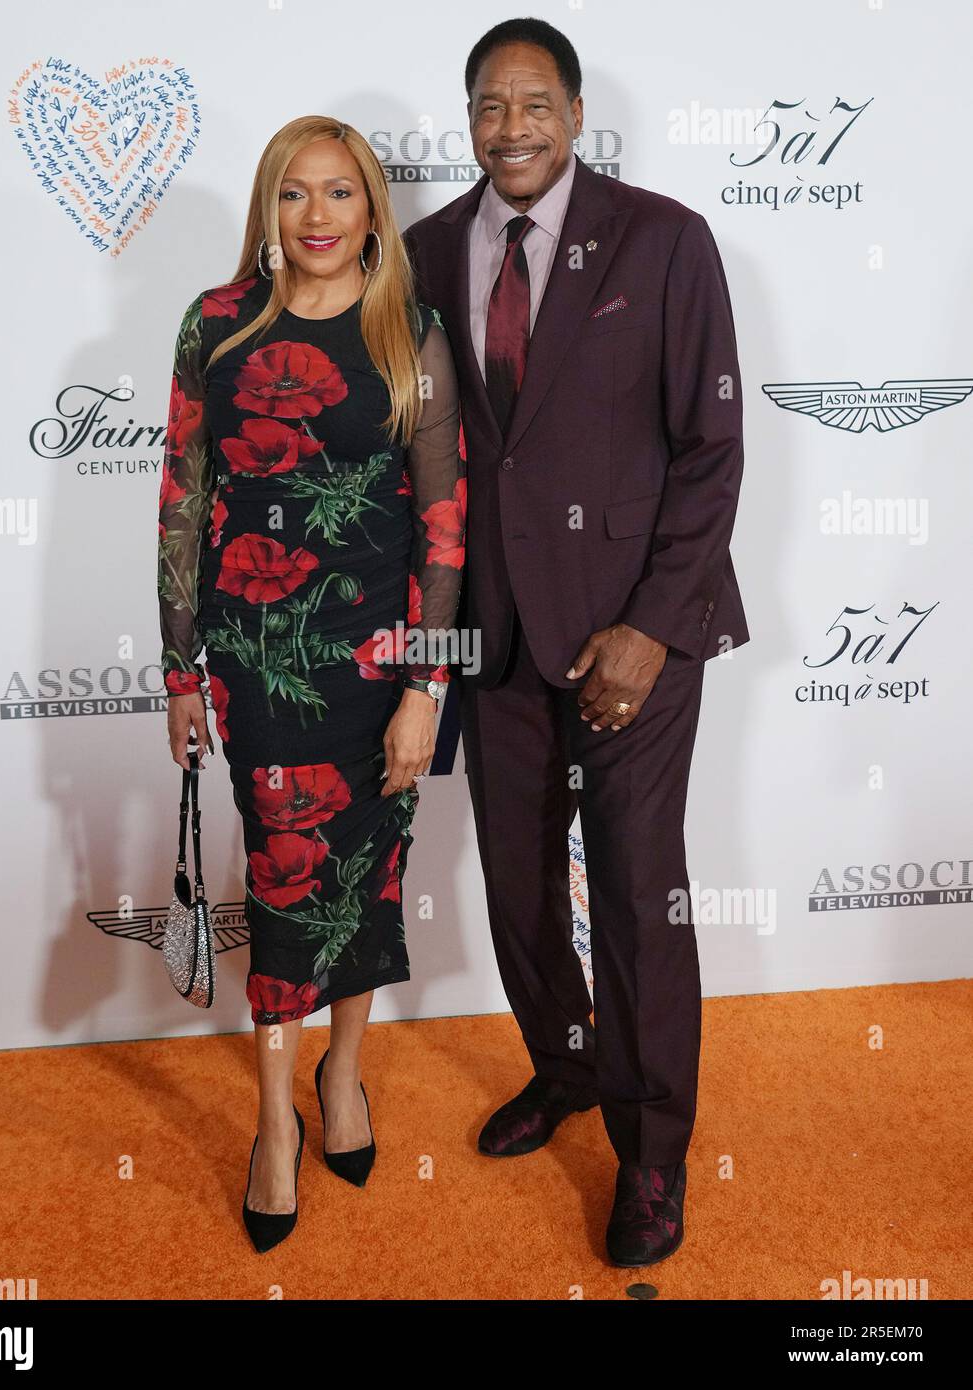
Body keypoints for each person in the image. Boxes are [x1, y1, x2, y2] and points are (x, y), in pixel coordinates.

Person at [403, 17, 748, 1268]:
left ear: (576, 111)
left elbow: (711, 454)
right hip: (490, 637)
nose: (510, 127)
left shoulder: (664, 240)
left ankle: (651, 1156)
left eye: (532, 102)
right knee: (516, 883)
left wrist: (650, 631)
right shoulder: (431, 249)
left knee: (640, 897)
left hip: (632, 640)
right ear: (469, 122)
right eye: (488, 107)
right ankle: (562, 1067)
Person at [157, 115, 465, 1252]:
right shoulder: (218, 325)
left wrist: (425, 689)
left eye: (341, 194)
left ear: (371, 211)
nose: (319, 216)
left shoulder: (409, 332)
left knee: (366, 876)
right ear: (269, 210)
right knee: (284, 883)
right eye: (295, 194)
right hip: (252, 665)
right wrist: (180, 665)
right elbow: (181, 497)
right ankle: (272, 1124)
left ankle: (344, 1074)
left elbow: (441, 526)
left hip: (380, 667)